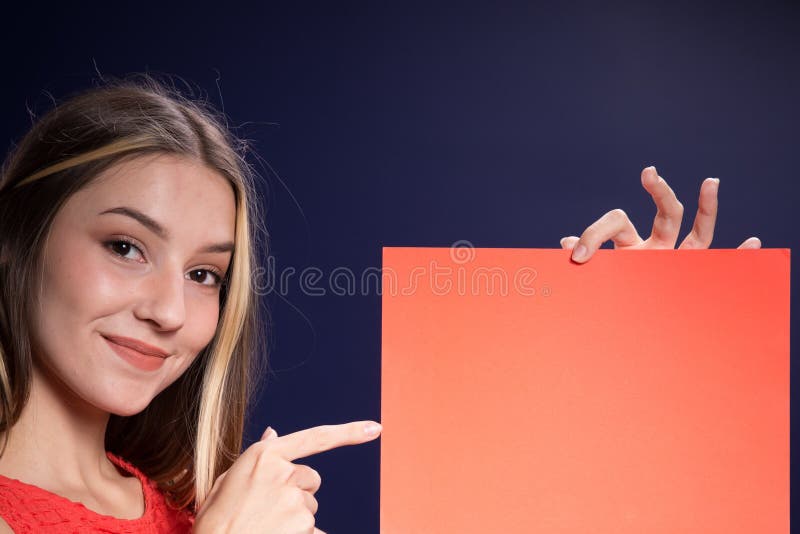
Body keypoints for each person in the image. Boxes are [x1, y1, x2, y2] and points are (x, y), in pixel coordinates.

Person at [0, 75, 761, 534]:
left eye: (205, 274)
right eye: (126, 247)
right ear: (17, 240)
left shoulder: (208, 506)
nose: (170, 310)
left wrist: (646, 371)